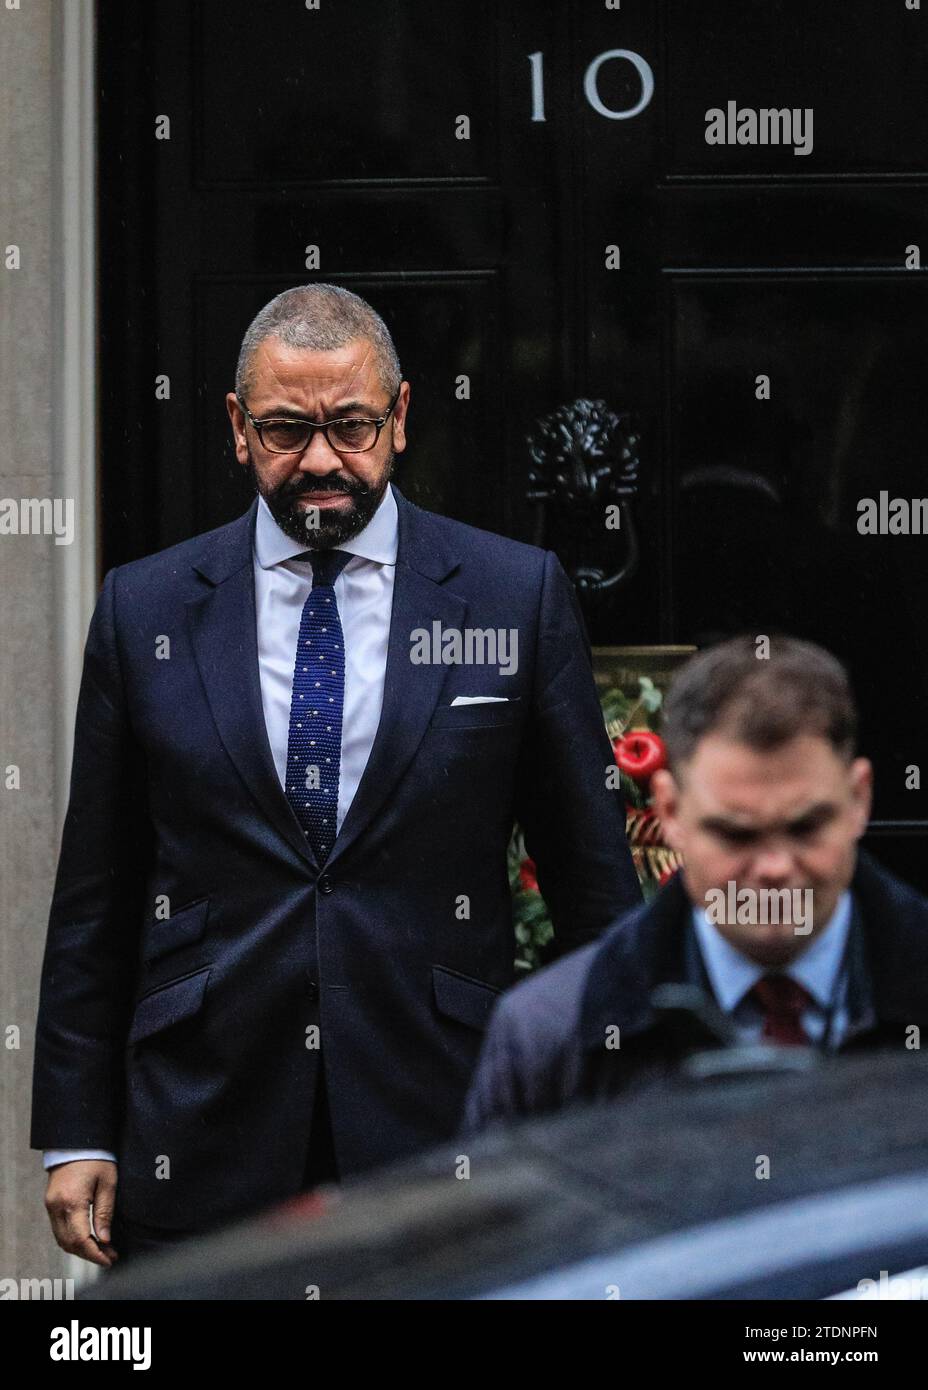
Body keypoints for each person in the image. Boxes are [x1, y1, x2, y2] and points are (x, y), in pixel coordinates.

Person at [31, 283, 641, 1267]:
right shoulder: (141, 607)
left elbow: (594, 888)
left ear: (400, 417)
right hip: (202, 1123)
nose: (320, 460)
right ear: (237, 428)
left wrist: (608, 1109)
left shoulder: (511, 596)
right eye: (285, 429)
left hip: (443, 1115)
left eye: (350, 425)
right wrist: (78, 1131)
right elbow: (96, 894)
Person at [464, 634, 928, 1130]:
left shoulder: (555, 1030)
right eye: (735, 834)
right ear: (669, 812)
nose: (772, 867)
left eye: (804, 828)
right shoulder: (545, 1038)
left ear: (860, 799)